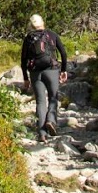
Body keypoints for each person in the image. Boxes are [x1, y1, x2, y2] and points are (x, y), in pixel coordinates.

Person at [21, 13, 68, 141]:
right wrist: (64, 70)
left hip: (35, 72)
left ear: (31, 25)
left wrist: (25, 78)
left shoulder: (28, 38)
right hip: (51, 70)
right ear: (43, 22)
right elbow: (63, 53)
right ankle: (51, 120)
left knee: (40, 101)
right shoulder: (52, 34)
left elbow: (23, 60)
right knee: (53, 97)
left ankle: (42, 133)